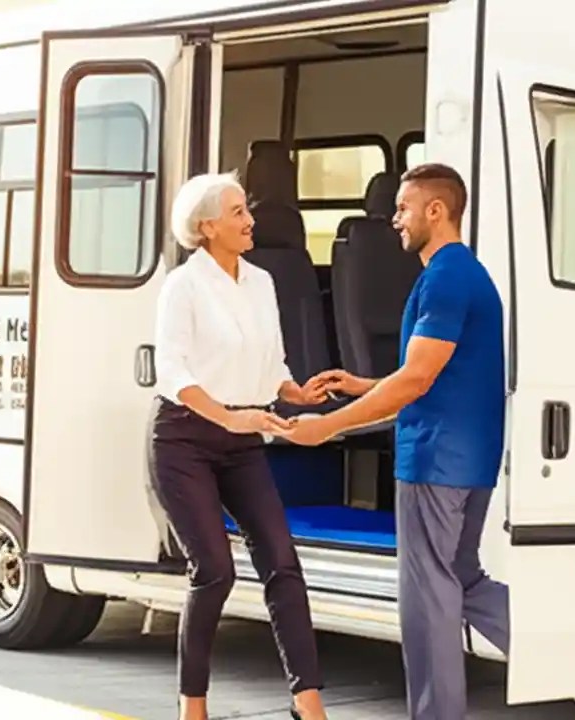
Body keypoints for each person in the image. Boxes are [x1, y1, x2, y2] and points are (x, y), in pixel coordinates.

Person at [286, 163, 510, 720]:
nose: (395, 220)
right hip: (471, 458)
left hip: (435, 459)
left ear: (437, 210)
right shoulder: (466, 273)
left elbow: (416, 380)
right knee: (461, 578)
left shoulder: (445, 277)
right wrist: (362, 386)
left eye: (404, 209)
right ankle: (571, 656)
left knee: (428, 599)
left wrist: (327, 425)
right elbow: (432, 369)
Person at [149, 171, 331, 720]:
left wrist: (296, 390)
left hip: (243, 439)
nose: (250, 220)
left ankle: (308, 702)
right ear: (206, 227)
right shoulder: (183, 286)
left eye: (246, 210)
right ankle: (192, 707)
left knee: (282, 562)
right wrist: (230, 415)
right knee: (214, 572)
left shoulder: (261, 282)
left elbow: (269, 361)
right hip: (185, 439)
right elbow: (173, 372)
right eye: (236, 212)